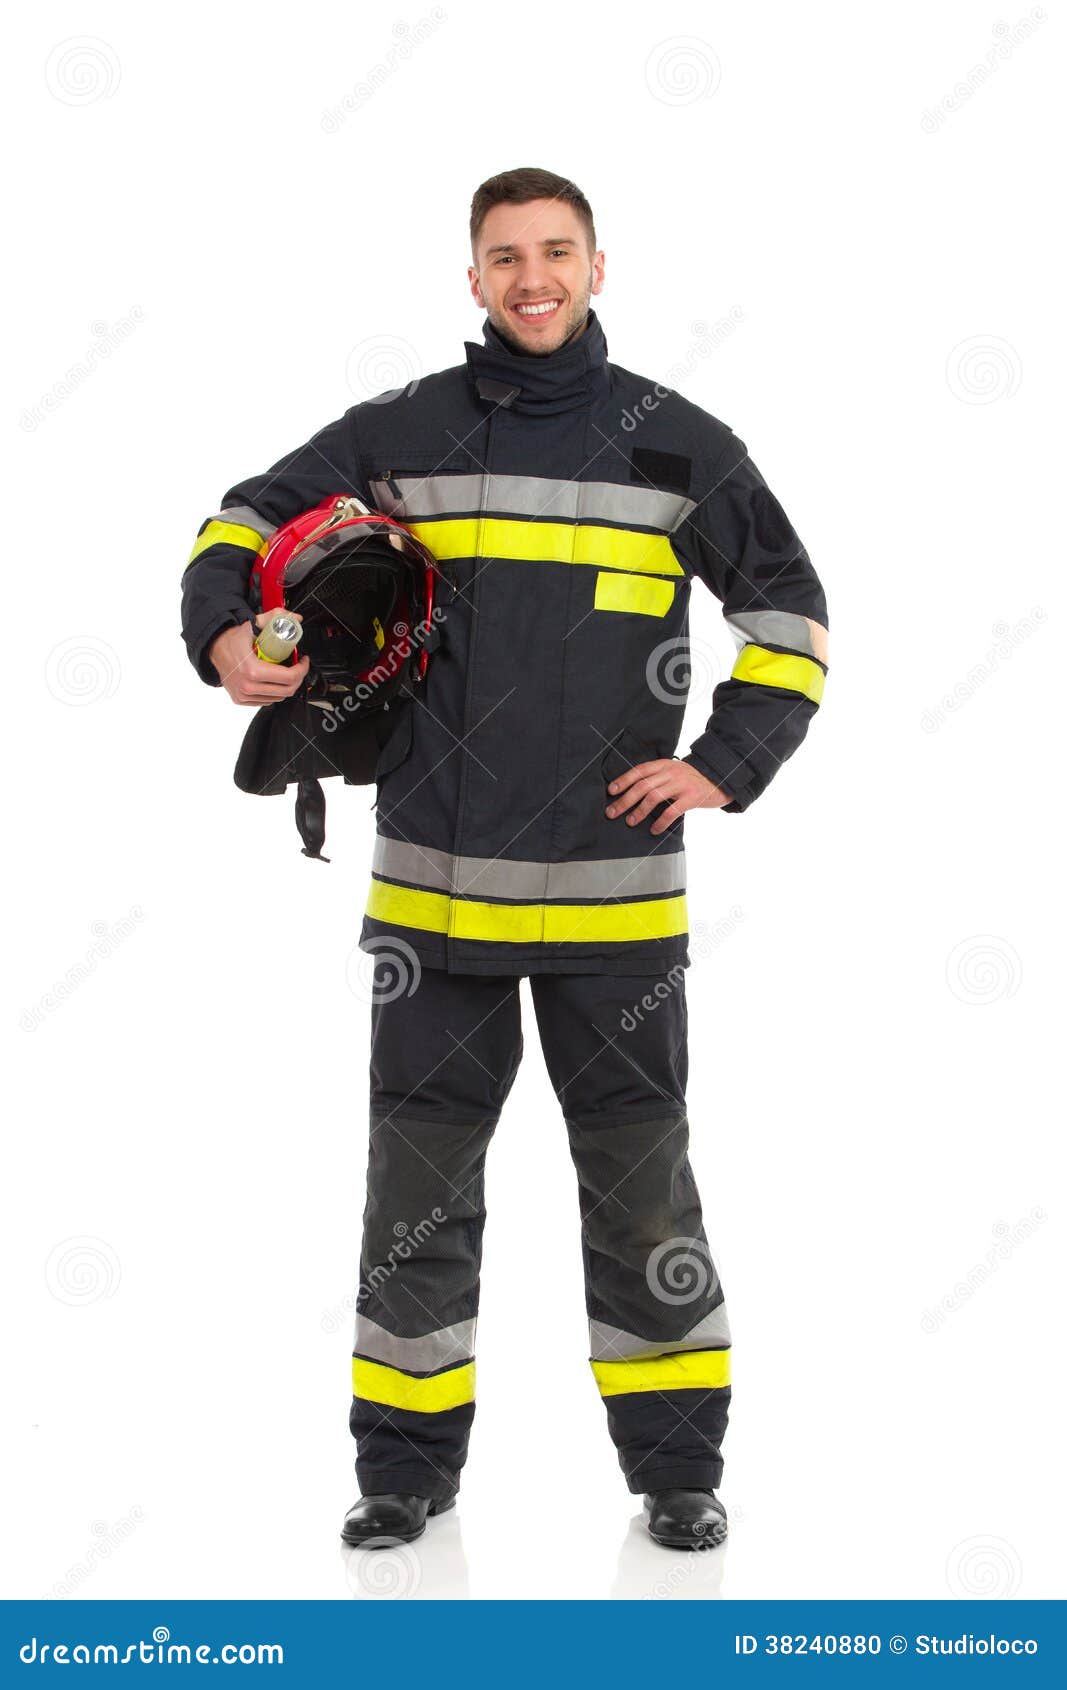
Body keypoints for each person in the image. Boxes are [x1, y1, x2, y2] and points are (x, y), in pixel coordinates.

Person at [181, 165, 829, 1552]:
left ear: (600, 267)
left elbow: (791, 614)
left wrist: (727, 760)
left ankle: (676, 1471)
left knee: (642, 1185)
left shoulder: (679, 445)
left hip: (619, 918)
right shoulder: (405, 430)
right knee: (416, 1198)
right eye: (503, 256)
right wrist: (228, 634)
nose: (532, 277)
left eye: (556, 252)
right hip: (433, 906)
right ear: (470, 279)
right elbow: (242, 518)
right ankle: (404, 1472)